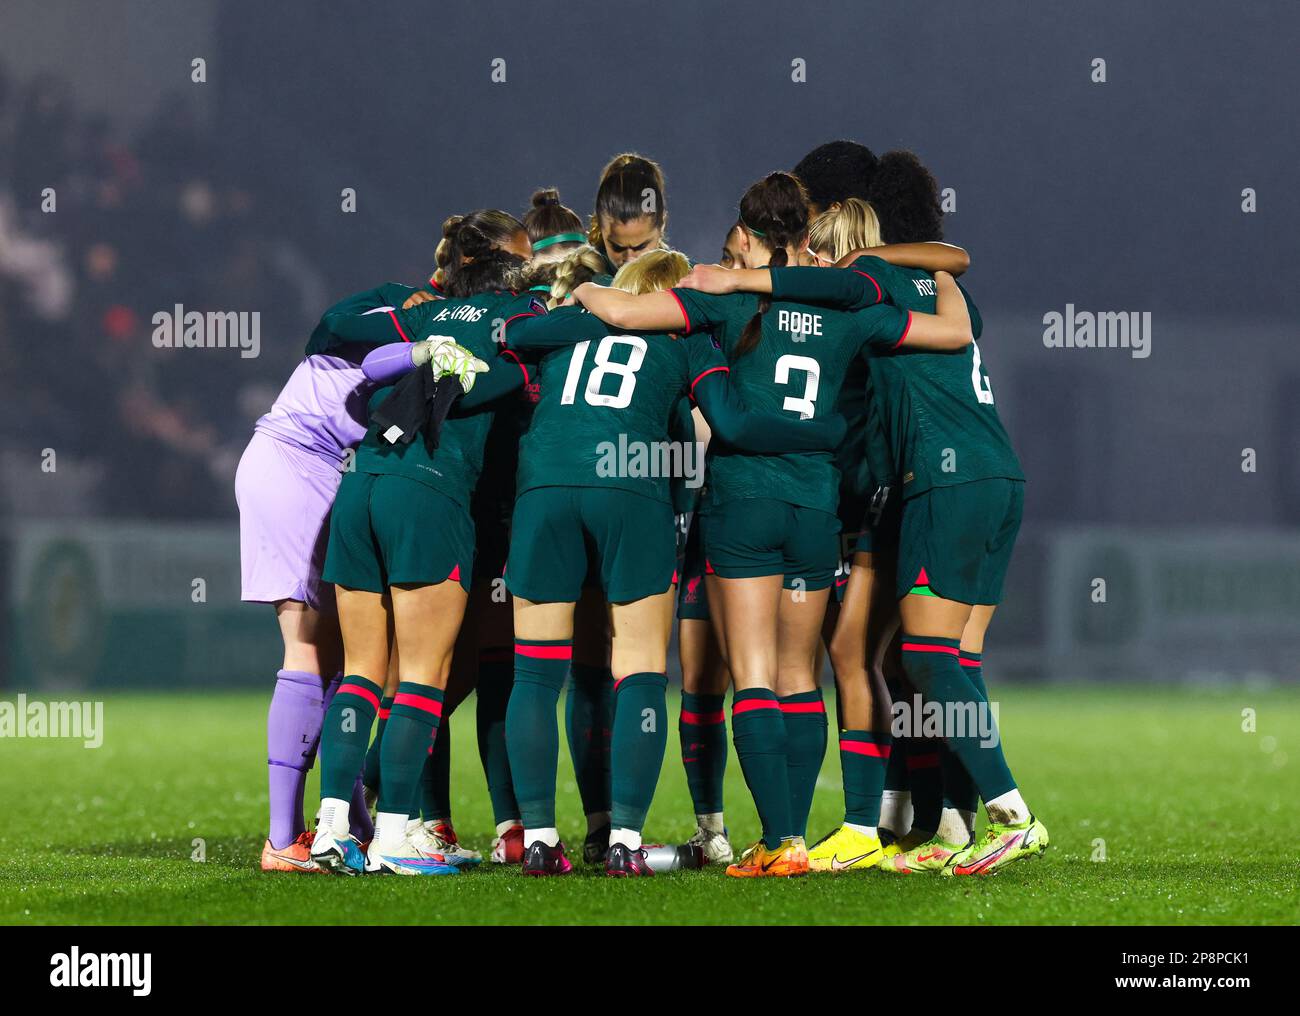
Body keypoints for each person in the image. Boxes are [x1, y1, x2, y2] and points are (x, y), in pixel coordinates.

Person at [572, 171, 975, 877]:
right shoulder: (849, 307)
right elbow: (952, 330)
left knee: (752, 676)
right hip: (816, 510)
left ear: (753, 239)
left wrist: (581, 287)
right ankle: (814, 837)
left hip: (743, 506)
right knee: (800, 676)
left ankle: (783, 840)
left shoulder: (723, 298)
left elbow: (625, 315)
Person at [680, 217, 1048, 877]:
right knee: (946, 658)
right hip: (999, 475)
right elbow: (957, 275)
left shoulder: (858, 289)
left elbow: (862, 413)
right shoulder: (924, 284)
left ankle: (1000, 816)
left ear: (829, 254)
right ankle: (951, 825)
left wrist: (737, 279)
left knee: (913, 658)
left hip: (939, 479)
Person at [503, 247, 848, 875]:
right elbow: (731, 422)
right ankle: (626, 844)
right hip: (631, 493)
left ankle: (540, 841)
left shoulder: (576, 322)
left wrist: (578, 296)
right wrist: (823, 434)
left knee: (535, 674)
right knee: (636, 666)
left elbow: (515, 332)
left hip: (546, 486)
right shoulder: (688, 334)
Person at [308, 211, 542, 875]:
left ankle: (332, 829)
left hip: (361, 482)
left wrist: (399, 295)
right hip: (430, 491)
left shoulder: (427, 313)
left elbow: (328, 329)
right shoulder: (525, 315)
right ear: (518, 271)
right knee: (422, 678)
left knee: (361, 673)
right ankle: (393, 836)